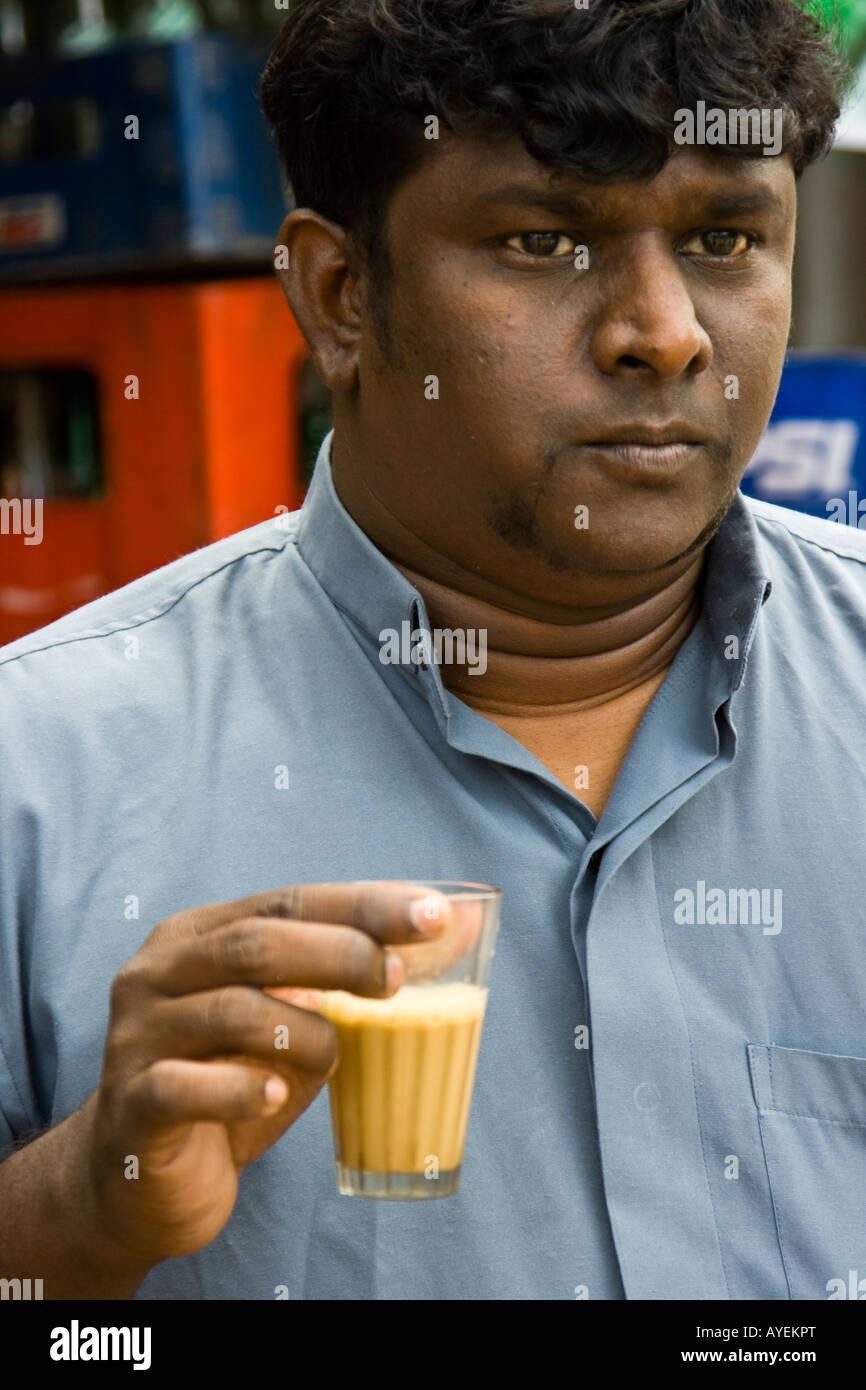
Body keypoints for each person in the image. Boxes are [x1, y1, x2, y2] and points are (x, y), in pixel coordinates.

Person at [0, 0, 859, 1301]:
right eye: (543, 240)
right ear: (341, 296)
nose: (665, 331)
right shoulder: (40, 780)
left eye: (723, 238)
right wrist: (77, 1211)